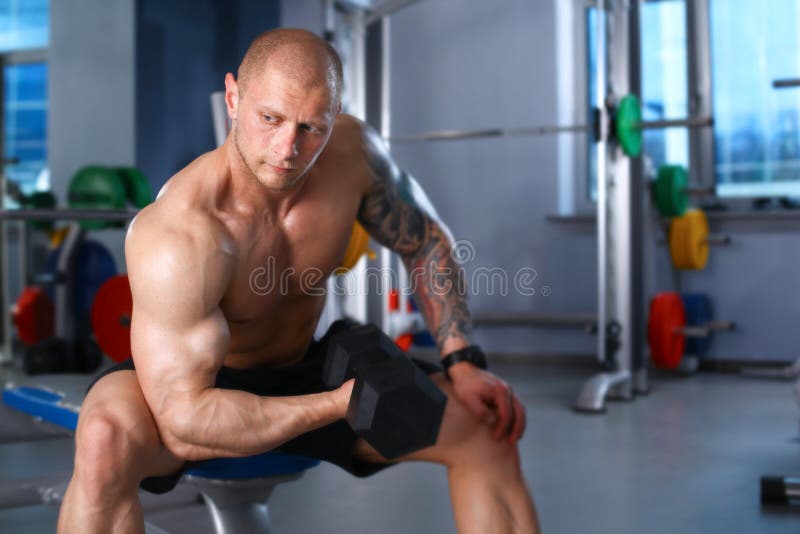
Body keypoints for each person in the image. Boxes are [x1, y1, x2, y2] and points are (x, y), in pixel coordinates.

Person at [57, 28, 539, 534]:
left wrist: (461, 362)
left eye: (312, 127)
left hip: (306, 366)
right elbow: (183, 423)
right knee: (105, 439)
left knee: (486, 431)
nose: (289, 147)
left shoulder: (352, 155)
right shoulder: (182, 231)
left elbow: (425, 241)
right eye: (270, 119)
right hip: (196, 386)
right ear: (234, 97)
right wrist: (339, 403)